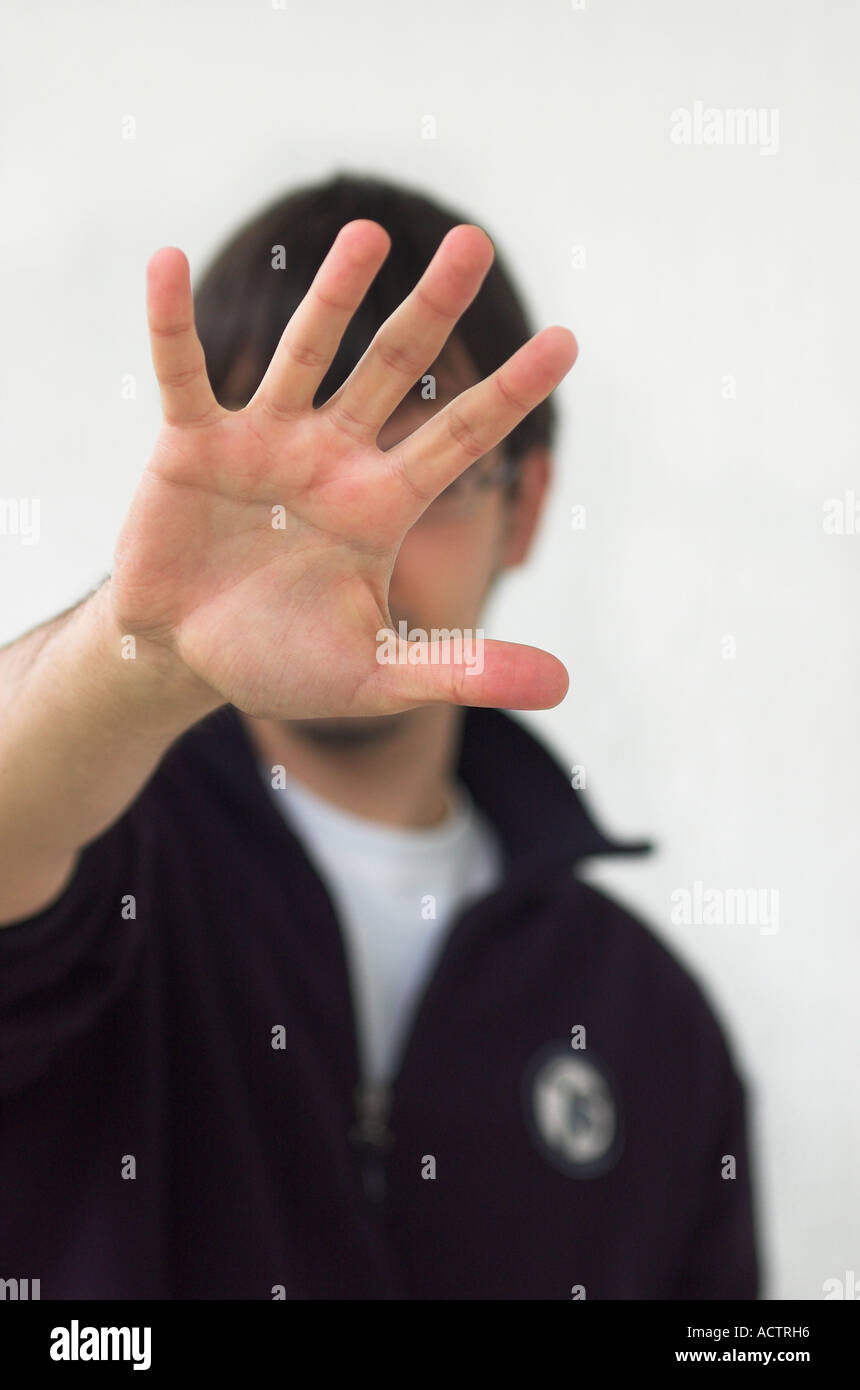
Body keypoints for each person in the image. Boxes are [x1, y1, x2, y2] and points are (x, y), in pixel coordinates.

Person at [0, 172, 761, 1300]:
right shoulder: (102, 854)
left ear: (528, 503)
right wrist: (142, 651)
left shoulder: (650, 1020)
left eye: (432, 479)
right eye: (288, 498)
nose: (354, 553)